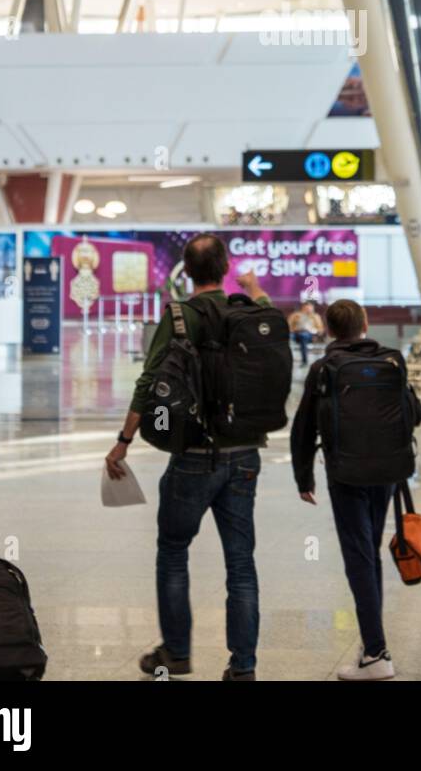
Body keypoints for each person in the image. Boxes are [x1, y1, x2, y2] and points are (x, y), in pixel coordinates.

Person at [105, 234, 273, 682]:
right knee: (241, 561)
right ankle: (244, 666)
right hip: (245, 453)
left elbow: (149, 381)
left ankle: (177, 653)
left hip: (195, 454)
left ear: (187, 269)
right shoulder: (247, 310)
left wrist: (124, 440)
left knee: (174, 550)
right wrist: (255, 288)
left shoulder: (180, 316)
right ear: (226, 267)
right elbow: (272, 327)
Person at [290, 297, 421, 682]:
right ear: (364, 323)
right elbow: (414, 413)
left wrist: (304, 478)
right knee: (369, 553)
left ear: (330, 329)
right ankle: (372, 645)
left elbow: (303, 429)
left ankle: (378, 653)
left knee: (359, 555)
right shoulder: (392, 360)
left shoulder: (324, 368)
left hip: (346, 473)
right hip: (387, 471)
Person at [287, 301, 323, 366]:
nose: (308, 309)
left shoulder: (316, 316)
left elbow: (320, 330)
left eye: (310, 307)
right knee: (288, 336)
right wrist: (295, 330)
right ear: (303, 307)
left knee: (303, 335)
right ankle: (288, 359)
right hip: (296, 333)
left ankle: (304, 361)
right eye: (306, 307)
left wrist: (314, 331)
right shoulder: (295, 315)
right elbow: (288, 326)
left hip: (309, 335)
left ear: (313, 308)